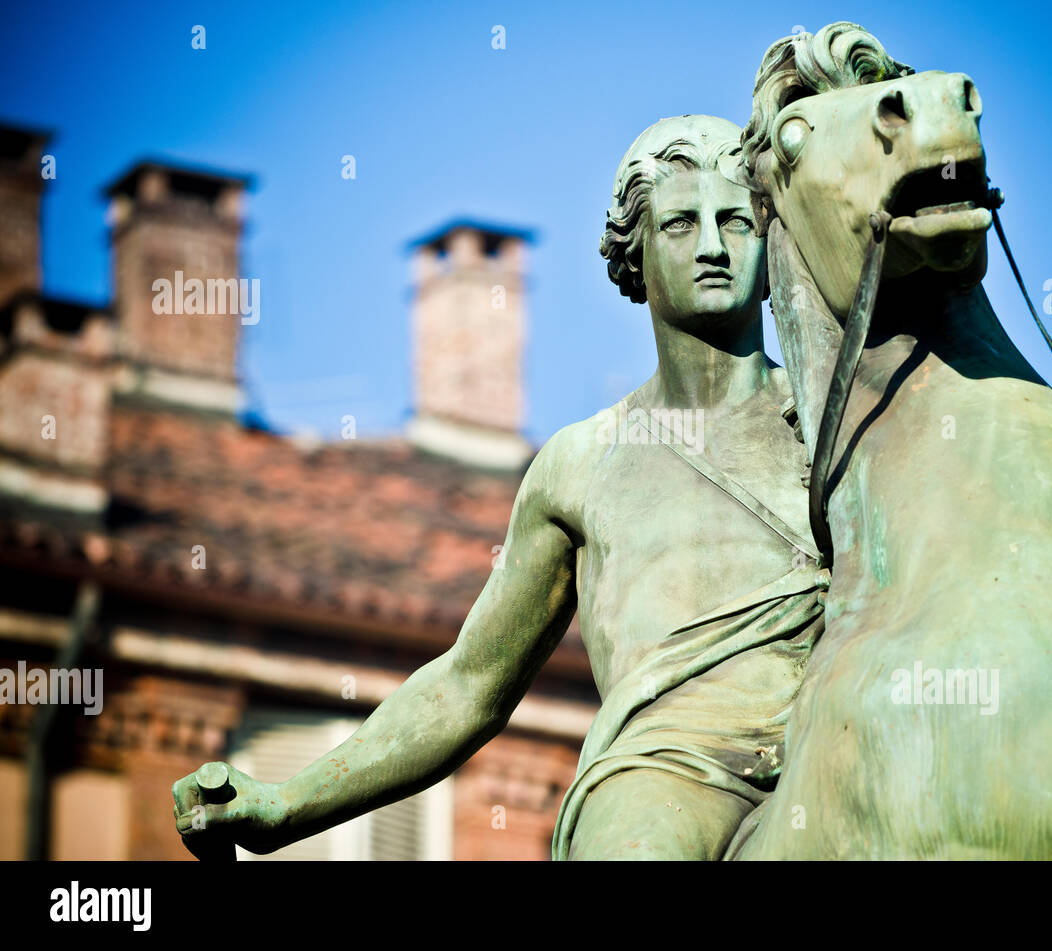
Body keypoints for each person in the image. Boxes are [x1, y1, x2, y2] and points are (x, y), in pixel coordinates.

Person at [173, 114, 826, 860]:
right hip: (664, 781)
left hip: (839, 735)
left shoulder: (838, 422)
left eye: (736, 220)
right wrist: (287, 802)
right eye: (681, 223)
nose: (713, 245)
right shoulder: (580, 465)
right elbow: (467, 686)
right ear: (635, 256)